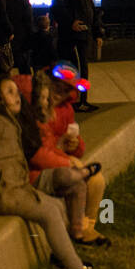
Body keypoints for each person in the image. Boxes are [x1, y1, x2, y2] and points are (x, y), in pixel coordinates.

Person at [0, 76, 111, 269]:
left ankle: (64, 257)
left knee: (57, 205)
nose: (17, 98)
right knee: (50, 212)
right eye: (9, 92)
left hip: (15, 186)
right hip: (1, 192)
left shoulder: (7, 119)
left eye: (16, 92)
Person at [18, 67, 108, 246]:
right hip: (39, 167)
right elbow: (38, 152)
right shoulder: (36, 107)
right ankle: (80, 229)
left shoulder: (65, 110)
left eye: (67, 90)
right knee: (83, 178)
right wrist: (68, 162)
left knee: (97, 181)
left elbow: (75, 147)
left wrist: (74, 146)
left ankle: (88, 225)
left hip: (55, 158)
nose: (61, 93)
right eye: (57, 87)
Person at [52, 0, 98, 111]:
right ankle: (74, 101)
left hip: (84, 35)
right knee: (74, 68)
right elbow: (58, 7)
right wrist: (70, 22)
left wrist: (98, 32)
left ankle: (82, 100)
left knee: (83, 68)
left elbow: (91, 10)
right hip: (70, 36)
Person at [5, 0, 34, 73]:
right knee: (25, 71)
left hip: (7, 40)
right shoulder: (23, 0)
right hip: (21, 41)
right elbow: (28, 22)